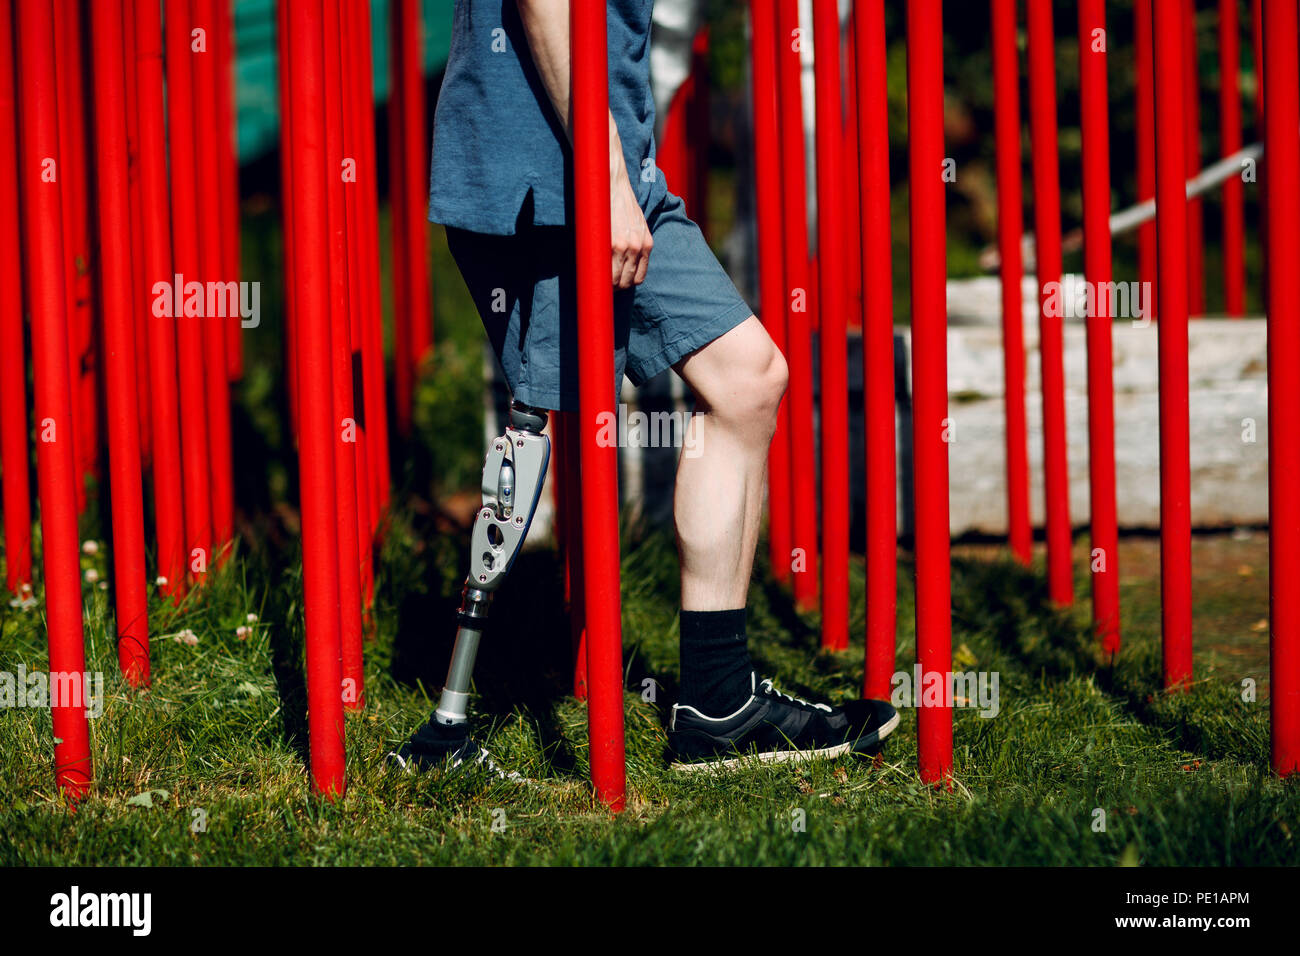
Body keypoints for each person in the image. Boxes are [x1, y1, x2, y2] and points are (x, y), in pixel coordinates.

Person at [392, 0, 898, 774]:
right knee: (543, 418)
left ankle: (718, 701)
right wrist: (604, 183)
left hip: (604, 166)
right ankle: (450, 725)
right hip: (556, 174)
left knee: (747, 379)